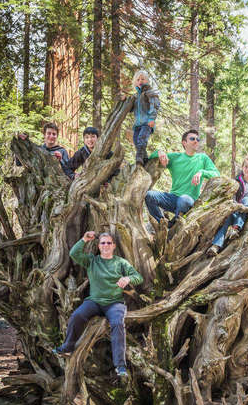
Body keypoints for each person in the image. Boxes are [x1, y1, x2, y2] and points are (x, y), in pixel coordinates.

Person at [53, 231, 143, 378]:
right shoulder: (92, 261)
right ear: (99, 246)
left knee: (117, 324)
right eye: (103, 243)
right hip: (94, 302)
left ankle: (120, 365)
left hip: (114, 303)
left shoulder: (120, 262)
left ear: (114, 246)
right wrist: (84, 239)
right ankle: (67, 347)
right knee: (77, 315)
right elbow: (73, 254)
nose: (106, 245)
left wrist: (128, 278)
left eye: (109, 243)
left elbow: (138, 277)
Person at [145, 129, 220, 226]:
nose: (196, 141)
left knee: (184, 199)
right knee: (149, 195)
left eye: (198, 139)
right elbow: (151, 157)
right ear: (184, 143)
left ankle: (175, 224)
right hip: (172, 198)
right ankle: (163, 224)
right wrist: (160, 152)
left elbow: (216, 174)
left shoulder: (203, 158)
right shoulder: (176, 157)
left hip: (189, 201)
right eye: (192, 139)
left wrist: (202, 172)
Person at [130, 70, 160, 166]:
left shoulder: (149, 93)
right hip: (138, 124)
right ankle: (145, 158)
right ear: (135, 81)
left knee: (141, 139)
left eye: (143, 79)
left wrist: (151, 118)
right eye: (138, 79)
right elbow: (131, 109)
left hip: (147, 122)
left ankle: (139, 158)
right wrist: (124, 100)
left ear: (147, 80)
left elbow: (154, 105)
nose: (140, 81)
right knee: (135, 140)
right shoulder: (135, 96)